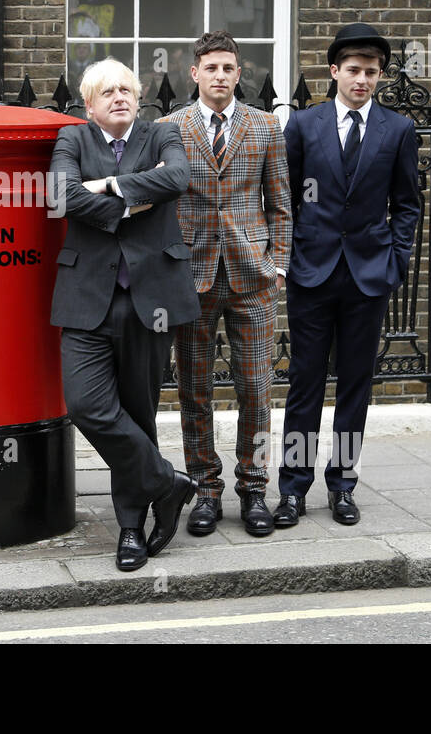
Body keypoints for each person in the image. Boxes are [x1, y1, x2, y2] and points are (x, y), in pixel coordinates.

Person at [50, 57, 200, 572]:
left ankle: (131, 529)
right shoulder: (72, 140)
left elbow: (179, 177)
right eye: (107, 91)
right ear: (89, 105)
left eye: (127, 89)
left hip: (151, 296)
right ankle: (167, 482)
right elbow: (59, 195)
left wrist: (110, 187)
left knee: (138, 413)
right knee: (86, 405)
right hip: (86, 295)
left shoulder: (163, 135)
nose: (120, 97)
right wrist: (138, 198)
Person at [276, 22, 421, 527]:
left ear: (380, 76)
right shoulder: (303, 125)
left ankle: (342, 485)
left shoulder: (397, 131)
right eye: (354, 70)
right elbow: (286, 200)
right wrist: (288, 254)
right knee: (304, 383)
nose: (362, 80)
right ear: (334, 71)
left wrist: (395, 258)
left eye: (371, 72)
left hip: (367, 275)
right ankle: (293, 488)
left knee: (356, 384)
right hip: (311, 272)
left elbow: (407, 205)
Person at [159, 30, 292, 538]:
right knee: (194, 393)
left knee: (255, 389)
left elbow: (281, 203)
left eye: (228, 68)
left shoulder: (265, 127)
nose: (219, 76)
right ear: (194, 73)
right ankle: (204, 491)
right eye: (210, 67)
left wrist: (278, 264)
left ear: (240, 74)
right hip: (191, 278)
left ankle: (254, 489)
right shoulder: (170, 128)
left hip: (252, 277)